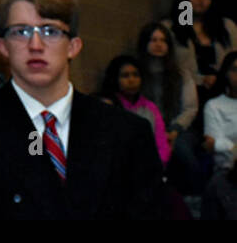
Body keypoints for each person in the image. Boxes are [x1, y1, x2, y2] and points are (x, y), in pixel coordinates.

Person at [0, 0, 163, 219]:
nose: (35, 45)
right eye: (21, 32)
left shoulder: (126, 131)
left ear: (73, 46)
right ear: (2, 46)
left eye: (50, 31)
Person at [136, 21, 204, 193]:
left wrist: (174, 130)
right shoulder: (137, 74)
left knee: (184, 153)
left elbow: (190, 108)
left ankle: (194, 197)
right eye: (153, 40)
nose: (158, 44)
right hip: (146, 128)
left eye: (163, 40)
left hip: (178, 129)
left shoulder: (181, 75)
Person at [168, 0, 237, 92]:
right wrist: (200, 79)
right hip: (186, 90)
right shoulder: (170, 27)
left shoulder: (227, 26)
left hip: (223, 89)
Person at [100, 55, 170, 167]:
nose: (131, 80)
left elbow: (161, 143)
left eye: (135, 75)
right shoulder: (108, 105)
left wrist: (157, 165)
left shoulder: (150, 108)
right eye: (125, 76)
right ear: (115, 79)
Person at [203, 51, 237, 177]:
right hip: (227, 170)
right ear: (226, 74)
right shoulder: (214, 105)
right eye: (234, 69)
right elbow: (213, 143)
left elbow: (218, 144)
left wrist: (226, 145)